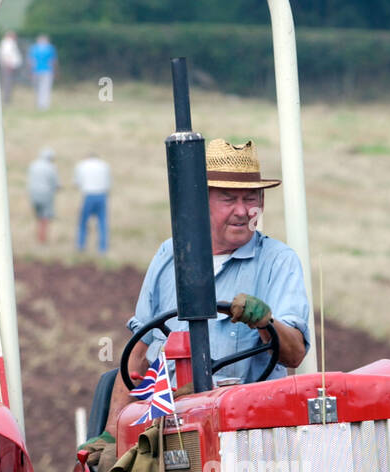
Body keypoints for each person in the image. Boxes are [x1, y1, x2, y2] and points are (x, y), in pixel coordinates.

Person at [87, 137, 310, 454]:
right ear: (200, 201)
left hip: (247, 432)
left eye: (251, 199)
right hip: (169, 429)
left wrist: (265, 321)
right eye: (228, 198)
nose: (243, 211)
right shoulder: (169, 255)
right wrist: (112, 434)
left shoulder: (279, 261)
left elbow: (295, 354)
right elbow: (139, 349)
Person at [74, 151, 112, 253]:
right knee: (102, 222)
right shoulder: (104, 166)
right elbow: (108, 184)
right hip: (101, 195)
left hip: (88, 195)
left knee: (83, 222)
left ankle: (81, 246)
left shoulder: (82, 165)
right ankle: (103, 248)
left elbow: (77, 183)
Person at [26, 147, 60, 244]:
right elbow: (55, 183)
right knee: (45, 218)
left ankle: (38, 237)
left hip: (33, 194)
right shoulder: (51, 167)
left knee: (38, 217)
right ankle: (43, 239)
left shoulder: (33, 165)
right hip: (46, 194)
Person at [28, 34, 57, 110]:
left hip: (41, 70)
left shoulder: (35, 48)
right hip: (45, 70)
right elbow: (53, 61)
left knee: (41, 88)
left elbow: (31, 61)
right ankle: (43, 105)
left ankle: (42, 105)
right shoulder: (49, 48)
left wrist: (31, 71)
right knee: (44, 88)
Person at [0, 30, 23, 103]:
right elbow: (7, 55)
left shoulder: (9, 42)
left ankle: (7, 100)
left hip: (10, 66)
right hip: (9, 67)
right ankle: (6, 100)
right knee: (7, 83)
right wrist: (9, 65)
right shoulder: (7, 43)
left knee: (9, 83)